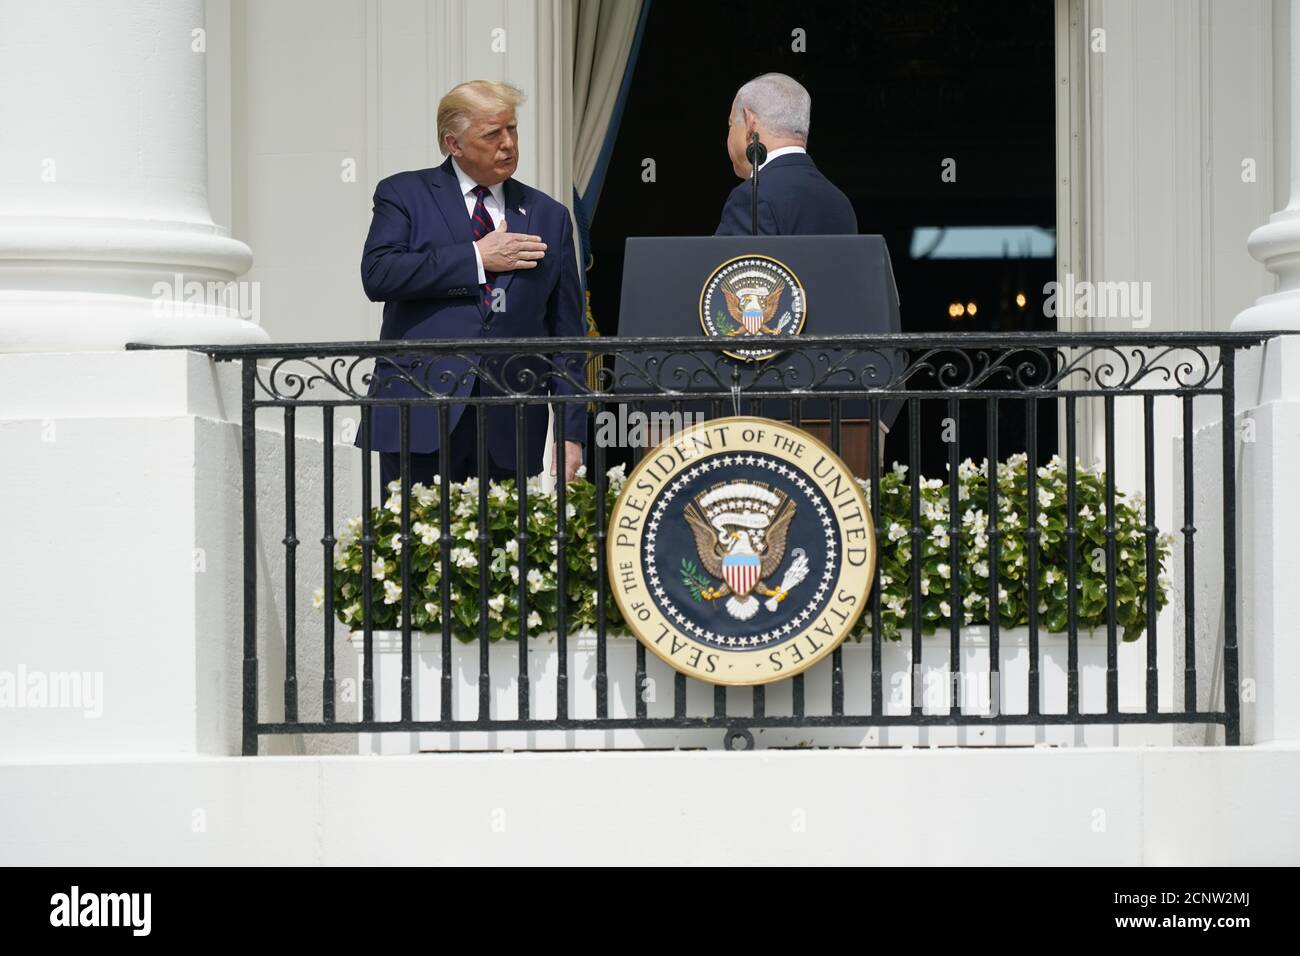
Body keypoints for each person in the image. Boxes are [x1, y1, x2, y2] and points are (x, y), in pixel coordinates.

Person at [355, 80, 587, 493]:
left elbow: (567, 334)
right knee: (414, 549)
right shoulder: (404, 194)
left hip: (511, 420)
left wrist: (570, 433)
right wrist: (478, 257)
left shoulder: (547, 215)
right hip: (421, 410)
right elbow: (379, 273)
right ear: (453, 144)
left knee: (502, 553)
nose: (508, 144)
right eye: (492, 134)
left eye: (512, 129)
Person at [715, 72, 858, 236]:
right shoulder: (840, 202)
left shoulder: (752, 198)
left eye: (731, 124)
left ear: (750, 124)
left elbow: (728, 262)